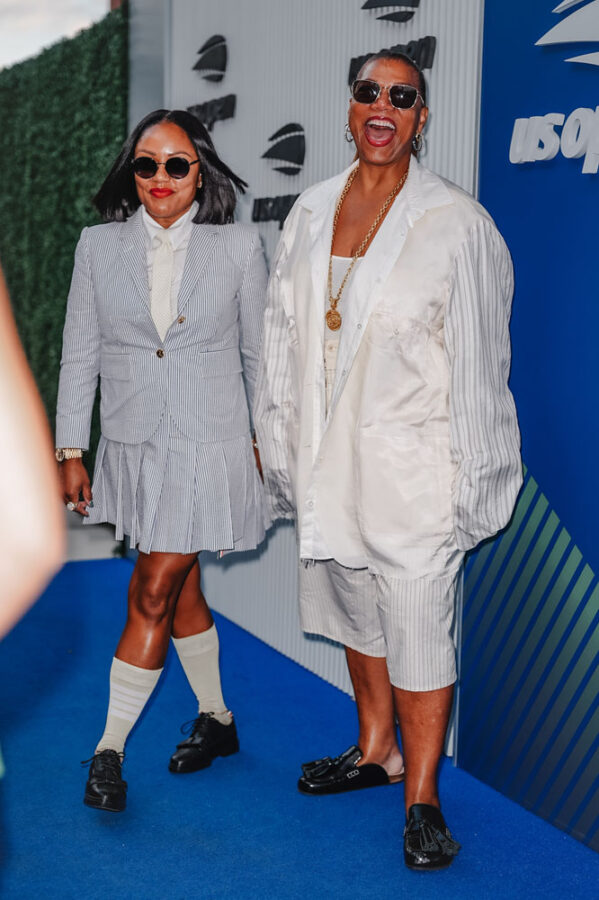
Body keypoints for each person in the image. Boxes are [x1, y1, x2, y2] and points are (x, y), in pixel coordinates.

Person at [255, 51, 522, 870]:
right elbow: (281, 336)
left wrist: (476, 487)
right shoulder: (309, 210)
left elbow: (480, 371)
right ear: (349, 108)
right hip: (324, 460)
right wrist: (276, 441)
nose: (382, 106)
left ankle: (423, 799)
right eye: (368, 92)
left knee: (417, 630)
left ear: (419, 117)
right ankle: (376, 749)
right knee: (351, 607)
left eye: (401, 97)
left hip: (415, 474)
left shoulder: (458, 225)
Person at [56, 109, 268, 812]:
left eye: (176, 165)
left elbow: (259, 356)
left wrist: (268, 441)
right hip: (134, 443)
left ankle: (109, 751)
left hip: (208, 445)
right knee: (182, 589)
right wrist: (70, 447)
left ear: (199, 172)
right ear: (133, 172)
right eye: (146, 164)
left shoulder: (236, 247)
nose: (160, 178)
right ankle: (218, 719)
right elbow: (80, 352)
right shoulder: (98, 246)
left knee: (151, 589)